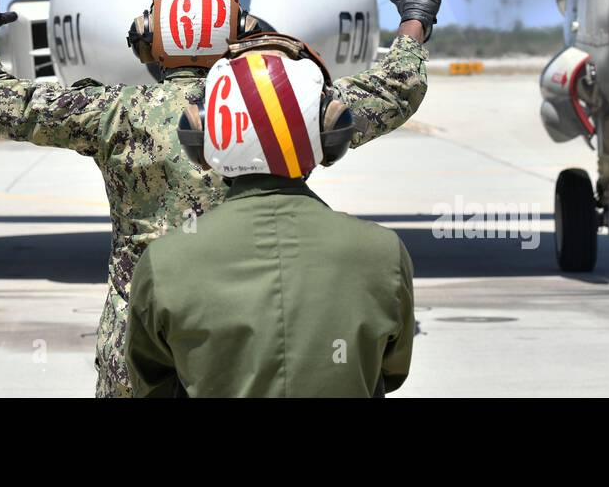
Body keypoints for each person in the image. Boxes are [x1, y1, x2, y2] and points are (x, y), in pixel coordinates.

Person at [0, 0, 453, 396]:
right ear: (241, 32)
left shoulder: (112, 112)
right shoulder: (284, 109)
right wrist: (413, 24)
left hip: (137, 354)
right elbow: (395, 88)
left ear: (148, 38)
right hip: (242, 351)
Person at [124, 32, 416, 397]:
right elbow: (390, 371)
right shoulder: (384, 253)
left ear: (201, 138)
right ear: (328, 133)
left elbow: (151, 382)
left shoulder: (164, 262)